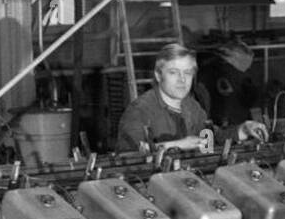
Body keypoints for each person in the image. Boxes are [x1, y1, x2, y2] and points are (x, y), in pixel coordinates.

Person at [115, 42, 268, 155]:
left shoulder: (191, 106)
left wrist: (242, 129)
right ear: (158, 75)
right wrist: (177, 145)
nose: (182, 80)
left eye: (187, 73)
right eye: (174, 72)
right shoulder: (139, 111)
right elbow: (128, 155)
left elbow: (210, 138)